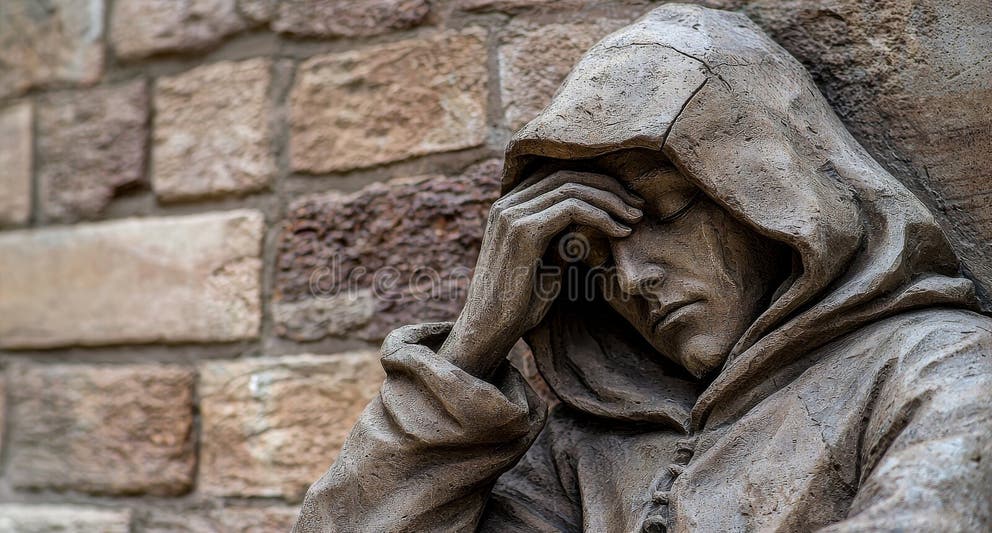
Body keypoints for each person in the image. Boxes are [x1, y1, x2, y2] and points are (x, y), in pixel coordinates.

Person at [294, 4, 992, 532]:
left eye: (665, 211)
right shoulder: (582, 456)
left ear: (770, 190)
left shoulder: (936, 370)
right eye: (590, 257)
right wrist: (472, 347)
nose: (628, 277)